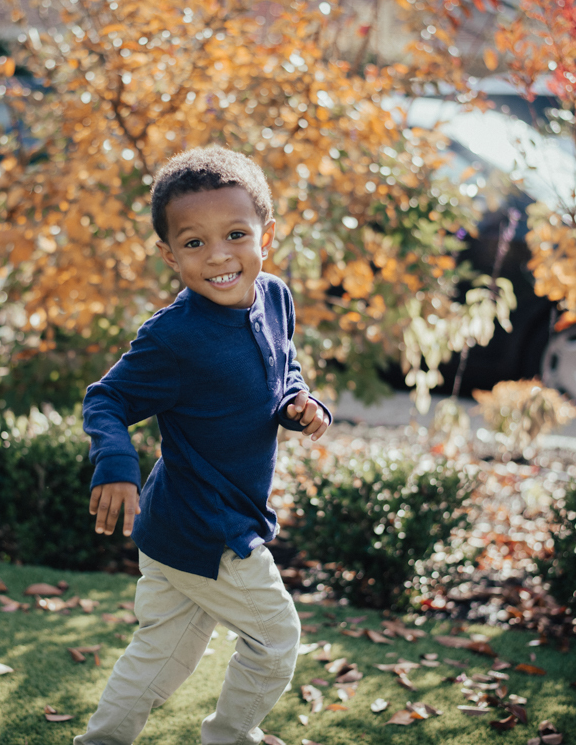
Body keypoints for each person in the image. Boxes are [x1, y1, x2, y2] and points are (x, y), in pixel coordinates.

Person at [77, 145, 331, 745]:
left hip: (178, 530)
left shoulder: (274, 298)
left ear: (266, 233)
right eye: (194, 243)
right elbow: (105, 400)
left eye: (236, 234)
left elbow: (281, 369)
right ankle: (229, 737)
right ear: (169, 254)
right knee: (275, 640)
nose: (219, 255)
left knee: (161, 659)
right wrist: (115, 464)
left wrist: (301, 404)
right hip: (206, 525)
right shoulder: (174, 338)